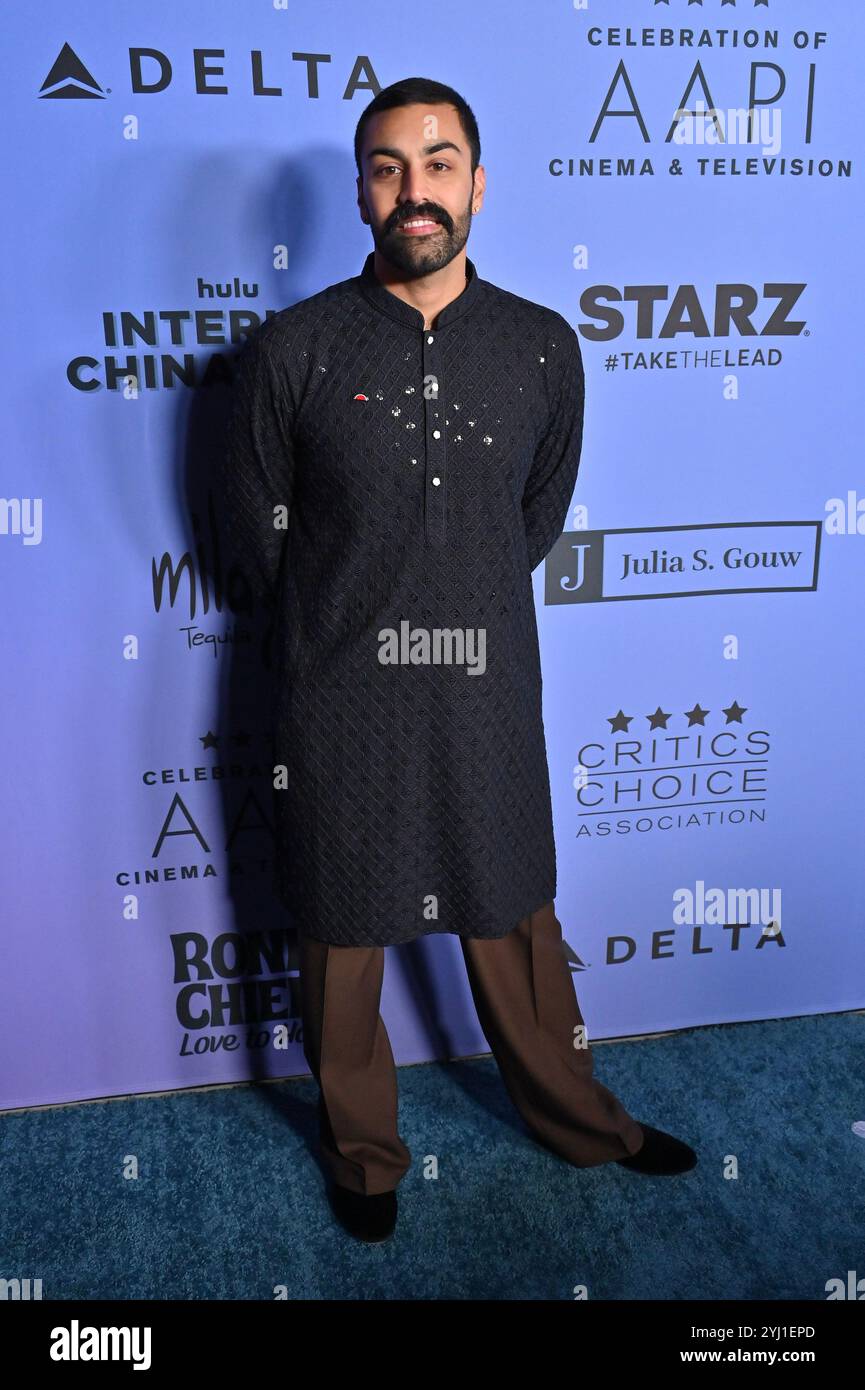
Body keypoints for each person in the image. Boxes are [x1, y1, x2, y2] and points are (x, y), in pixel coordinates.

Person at [222, 77, 697, 1243]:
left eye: (438, 165)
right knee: (340, 931)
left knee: (517, 916)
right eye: (388, 166)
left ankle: (582, 1119)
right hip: (337, 702)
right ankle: (365, 1156)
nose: (414, 189)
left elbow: (530, 524)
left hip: (487, 693)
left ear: (476, 185)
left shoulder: (542, 349)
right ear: (360, 191)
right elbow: (251, 549)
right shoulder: (293, 351)